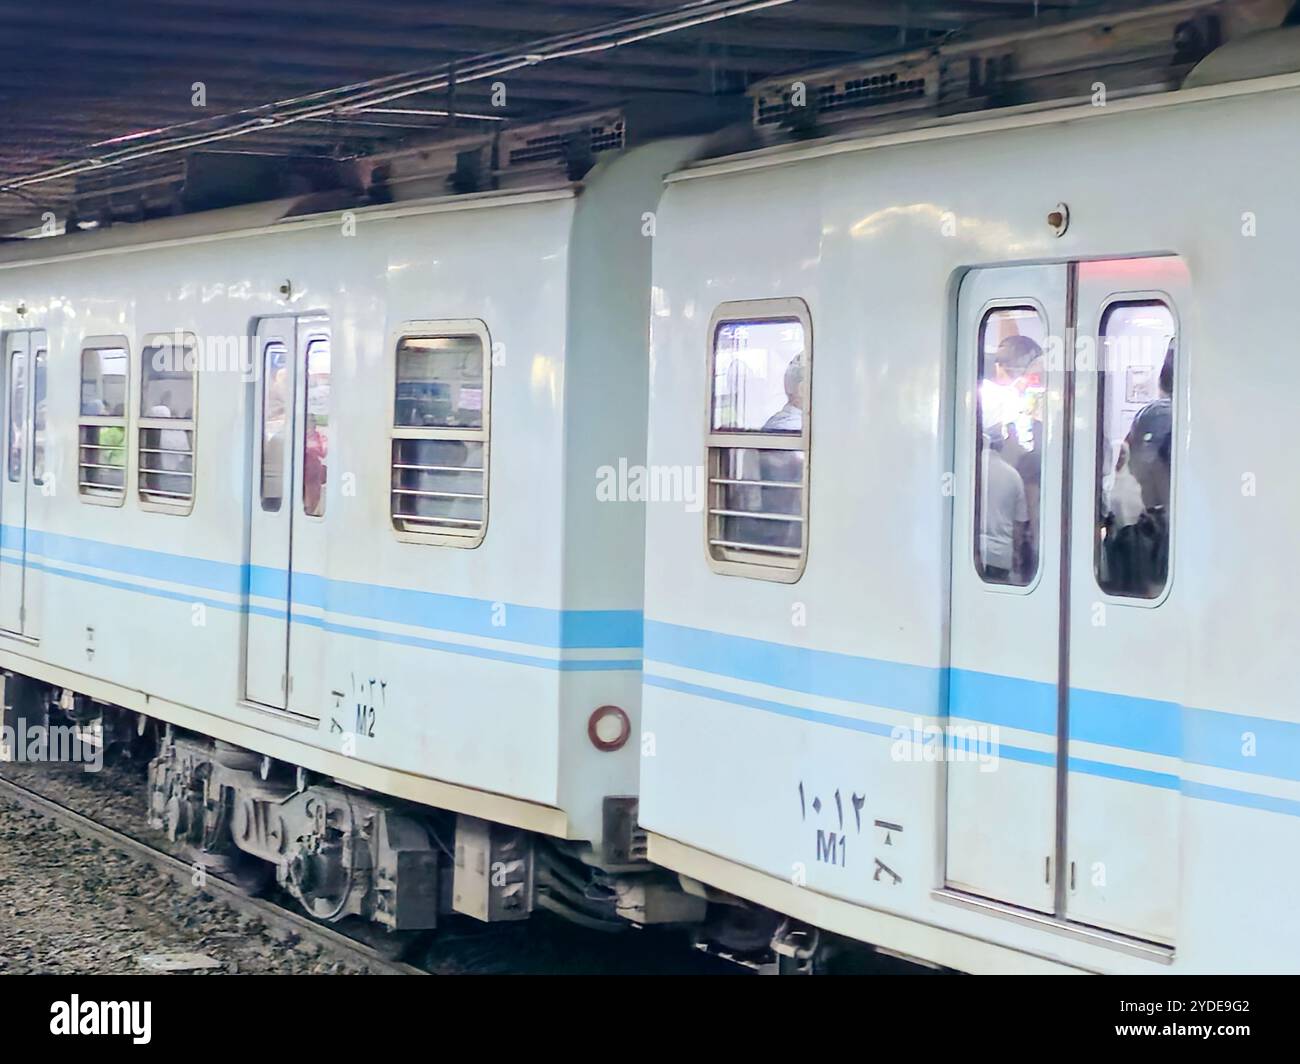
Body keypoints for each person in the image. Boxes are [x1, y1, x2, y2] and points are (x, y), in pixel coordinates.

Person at [977, 429, 1029, 583]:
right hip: (1001, 556)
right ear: (1001, 445)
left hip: (971, 552)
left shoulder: (969, 469)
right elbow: (1019, 523)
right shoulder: (1013, 475)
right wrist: (1017, 553)